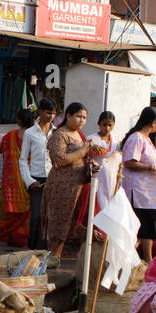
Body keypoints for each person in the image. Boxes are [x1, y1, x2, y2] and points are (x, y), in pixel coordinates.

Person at [121, 106, 156, 263]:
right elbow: (129, 162)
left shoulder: (146, 139)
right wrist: (152, 167)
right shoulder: (136, 138)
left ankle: (145, 260)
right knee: (143, 228)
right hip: (139, 192)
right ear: (153, 123)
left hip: (149, 192)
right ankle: (144, 260)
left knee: (148, 228)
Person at [44, 102, 95, 259]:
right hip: (61, 186)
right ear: (68, 116)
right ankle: (51, 261)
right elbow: (60, 160)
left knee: (69, 225)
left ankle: (56, 260)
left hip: (76, 187)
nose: (82, 120)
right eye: (78, 116)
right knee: (58, 225)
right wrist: (84, 150)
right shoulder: (60, 134)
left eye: (84, 118)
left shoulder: (79, 135)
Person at [20, 98, 55, 249]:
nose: (51, 116)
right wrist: (29, 181)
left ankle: (46, 249)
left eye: (54, 113)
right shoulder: (29, 133)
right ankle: (32, 248)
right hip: (36, 179)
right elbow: (22, 160)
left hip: (53, 178)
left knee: (50, 216)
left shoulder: (57, 132)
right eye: (48, 112)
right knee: (36, 216)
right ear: (40, 111)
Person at [0, 108, 34, 247]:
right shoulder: (34, 136)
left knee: (7, 208)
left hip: (11, 181)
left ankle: (4, 238)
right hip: (28, 179)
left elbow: (1, 150)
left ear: (19, 120)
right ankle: (23, 240)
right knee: (27, 211)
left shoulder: (10, 136)